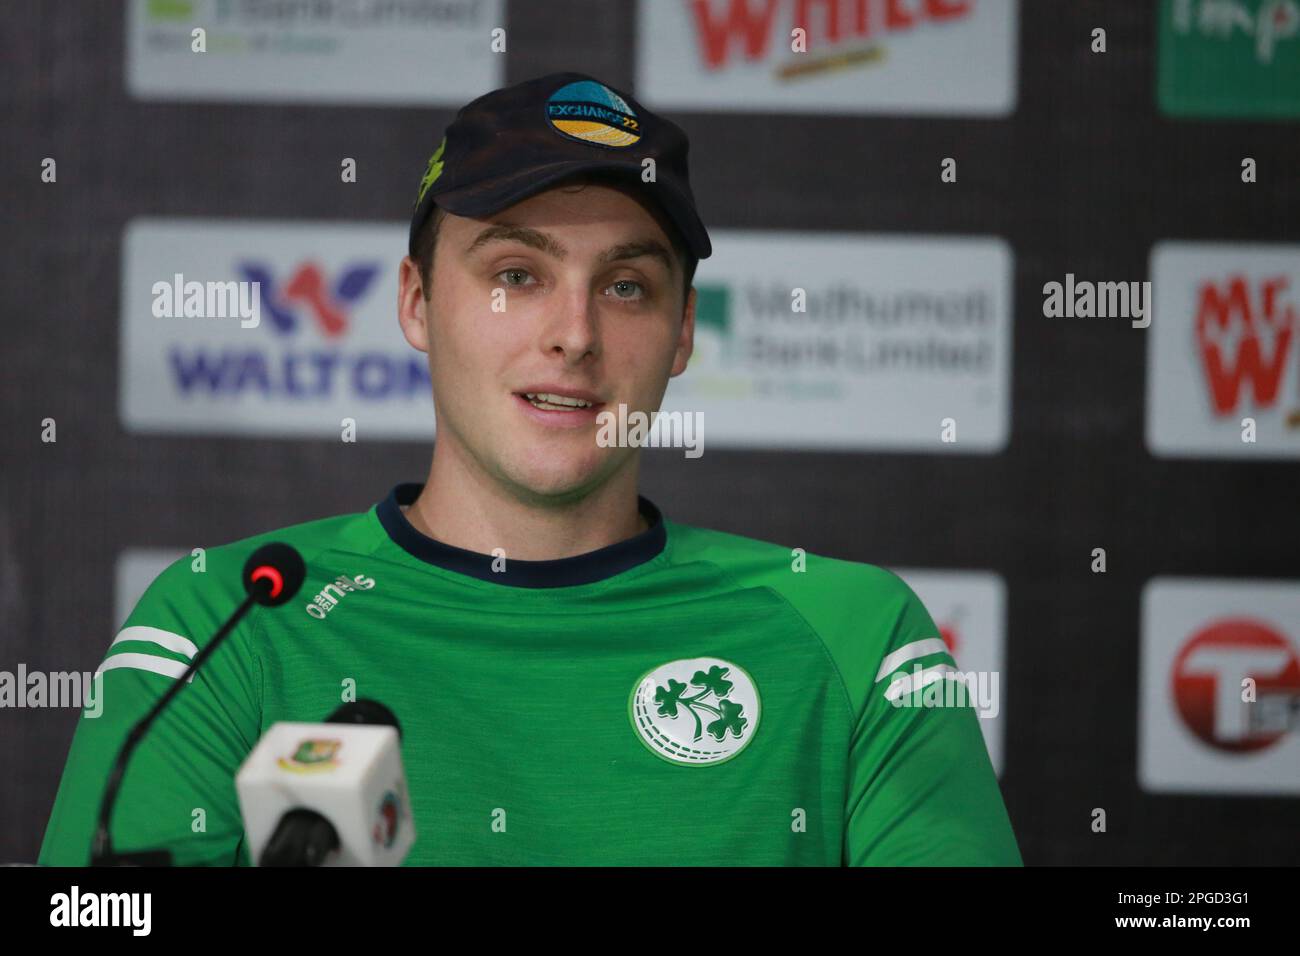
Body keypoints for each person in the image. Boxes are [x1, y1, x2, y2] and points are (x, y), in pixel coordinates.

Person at [40, 72, 1020, 866]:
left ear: (682, 332)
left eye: (626, 285)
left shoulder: (857, 638)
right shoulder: (221, 624)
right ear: (418, 303)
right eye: (517, 274)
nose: (574, 334)